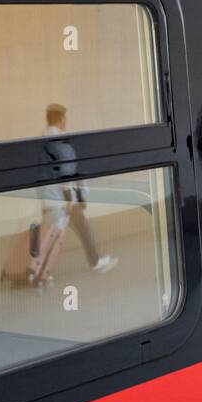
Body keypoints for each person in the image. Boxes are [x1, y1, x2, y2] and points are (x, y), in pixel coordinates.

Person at [39, 104, 118, 277]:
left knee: (51, 235)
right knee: (79, 230)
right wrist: (70, 198)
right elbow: (66, 173)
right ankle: (95, 261)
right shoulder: (61, 141)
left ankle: (38, 269)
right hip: (64, 199)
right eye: (64, 119)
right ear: (60, 119)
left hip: (48, 197)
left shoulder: (40, 141)